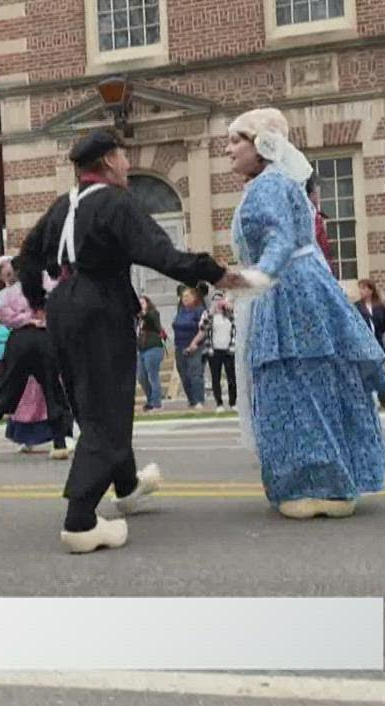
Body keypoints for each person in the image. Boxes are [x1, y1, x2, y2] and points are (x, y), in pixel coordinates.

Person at [20, 128, 239, 553]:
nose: (125, 164)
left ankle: (127, 486)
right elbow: (159, 252)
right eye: (122, 157)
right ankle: (81, 519)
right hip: (100, 307)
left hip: (64, 306)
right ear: (105, 163)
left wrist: (39, 303)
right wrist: (214, 273)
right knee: (108, 409)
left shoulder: (63, 205)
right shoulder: (116, 203)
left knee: (94, 403)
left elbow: (27, 257)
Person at [227, 108, 385, 519]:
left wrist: (255, 278)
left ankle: (318, 482)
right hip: (301, 285)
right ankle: (329, 478)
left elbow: (279, 240)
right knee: (312, 379)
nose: (228, 150)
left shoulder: (269, 186)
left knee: (294, 383)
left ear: (262, 145)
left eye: (236, 141)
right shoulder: (279, 183)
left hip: (289, 291)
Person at [0, 263, 72, 461]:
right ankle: (59, 443)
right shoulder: (46, 284)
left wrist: (25, 318)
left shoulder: (4, 296)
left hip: (20, 339)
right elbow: (58, 301)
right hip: (44, 338)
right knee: (52, 390)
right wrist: (37, 316)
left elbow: (7, 318)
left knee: (7, 388)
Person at [191, 290, 236, 412]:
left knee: (231, 376)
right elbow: (202, 328)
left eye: (220, 300)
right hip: (214, 350)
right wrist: (211, 313)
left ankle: (233, 402)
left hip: (229, 349)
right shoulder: (207, 314)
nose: (218, 303)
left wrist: (229, 309)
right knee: (215, 378)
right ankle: (219, 403)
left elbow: (236, 325)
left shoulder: (229, 313)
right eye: (215, 300)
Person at [354, 278, 385, 410]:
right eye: (360, 288)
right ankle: (367, 400)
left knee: (380, 371)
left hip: (378, 341)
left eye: (364, 288)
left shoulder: (379, 305)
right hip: (365, 342)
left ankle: (383, 398)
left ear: (371, 290)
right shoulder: (357, 306)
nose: (362, 291)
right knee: (366, 372)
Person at [173, 286, 208, 409]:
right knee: (183, 374)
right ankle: (192, 400)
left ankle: (199, 400)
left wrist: (194, 343)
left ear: (194, 297)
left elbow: (203, 329)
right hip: (180, 346)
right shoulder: (180, 310)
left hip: (196, 345)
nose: (185, 299)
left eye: (188, 296)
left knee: (195, 373)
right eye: (183, 297)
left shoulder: (200, 310)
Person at [305, 175, 336, 277]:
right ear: (311, 195)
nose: (318, 197)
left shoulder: (314, 215)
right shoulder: (311, 218)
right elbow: (321, 246)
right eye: (316, 193)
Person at [137, 295, 165, 411]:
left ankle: (156, 402)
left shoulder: (153, 313)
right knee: (141, 376)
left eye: (142, 303)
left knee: (153, 375)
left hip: (153, 347)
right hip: (141, 349)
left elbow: (150, 318)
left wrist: (143, 313)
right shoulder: (138, 319)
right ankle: (150, 399)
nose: (141, 305)